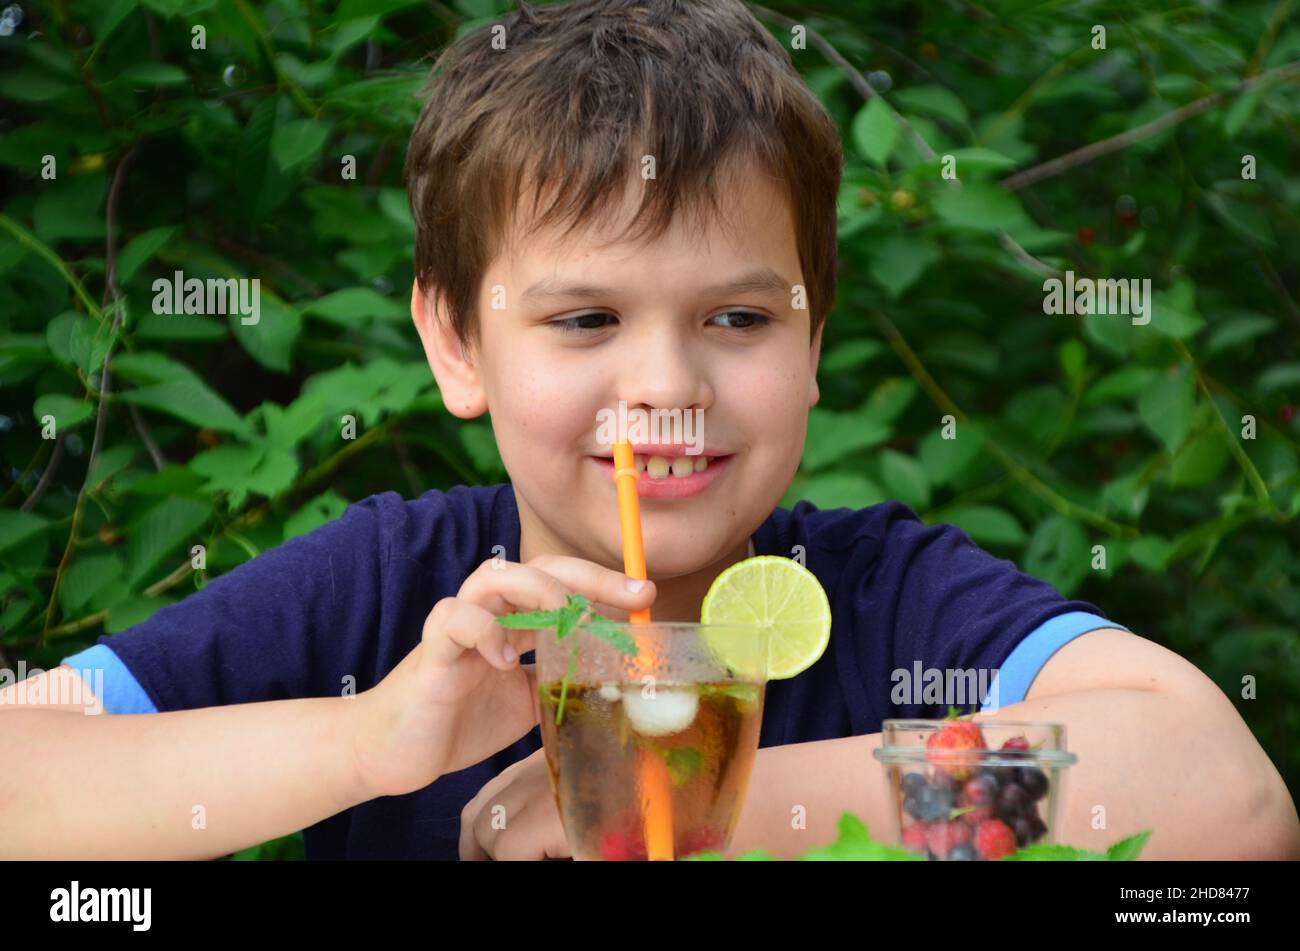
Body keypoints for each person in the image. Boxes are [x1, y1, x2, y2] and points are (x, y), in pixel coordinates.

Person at [3, 0, 1297, 861]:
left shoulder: (891, 598)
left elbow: (1224, 798)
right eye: (583, 320)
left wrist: (703, 811)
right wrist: (365, 742)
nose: (667, 383)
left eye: (737, 318)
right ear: (456, 342)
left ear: (813, 343)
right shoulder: (391, 594)